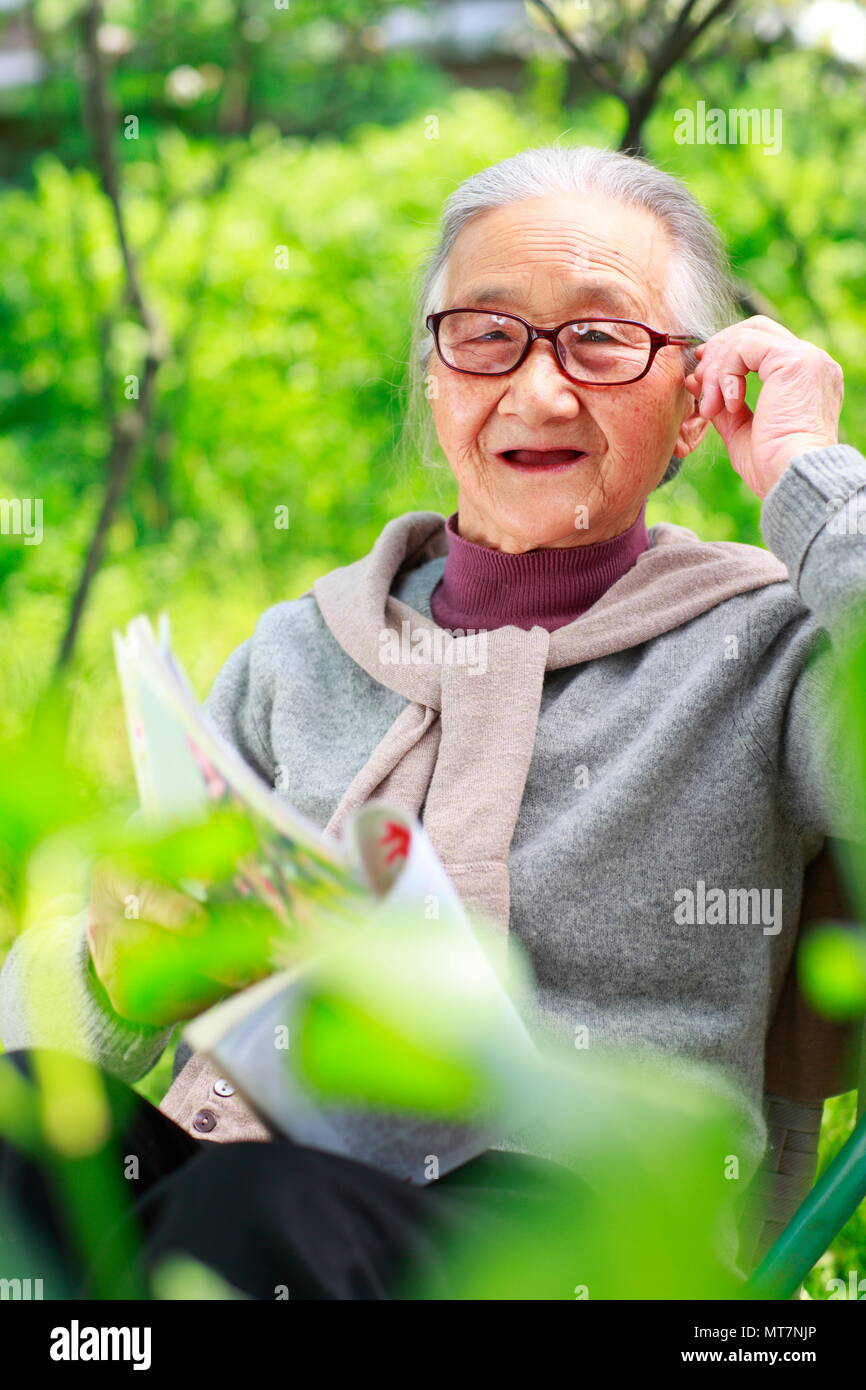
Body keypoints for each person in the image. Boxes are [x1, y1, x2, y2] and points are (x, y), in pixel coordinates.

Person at [1, 142, 861, 1299]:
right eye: (485, 334)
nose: (539, 389)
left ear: (694, 402)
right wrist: (115, 977)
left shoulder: (768, 655)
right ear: (434, 377)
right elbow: (72, 1000)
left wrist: (808, 475)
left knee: (246, 1205)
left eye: (600, 339)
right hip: (247, 1161)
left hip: (580, 1233)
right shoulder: (297, 653)